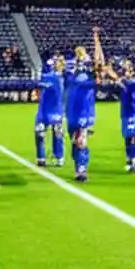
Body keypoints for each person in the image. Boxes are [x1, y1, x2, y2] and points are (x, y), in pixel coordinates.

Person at [64, 33, 102, 183]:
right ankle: (78, 167)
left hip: (85, 111)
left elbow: (99, 62)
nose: (80, 55)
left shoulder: (90, 70)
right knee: (75, 141)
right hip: (71, 110)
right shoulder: (70, 68)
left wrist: (97, 42)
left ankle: (82, 169)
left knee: (81, 141)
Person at [113, 60, 135, 175]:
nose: (127, 72)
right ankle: (129, 158)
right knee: (127, 137)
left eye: (128, 69)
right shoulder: (124, 82)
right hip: (125, 112)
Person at [34, 55, 67, 168]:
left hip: (53, 110)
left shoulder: (58, 77)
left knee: (56, 134)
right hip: (46, 110)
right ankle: (42, 158)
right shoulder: (52, 76)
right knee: (42, 133)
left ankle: (58, 157)